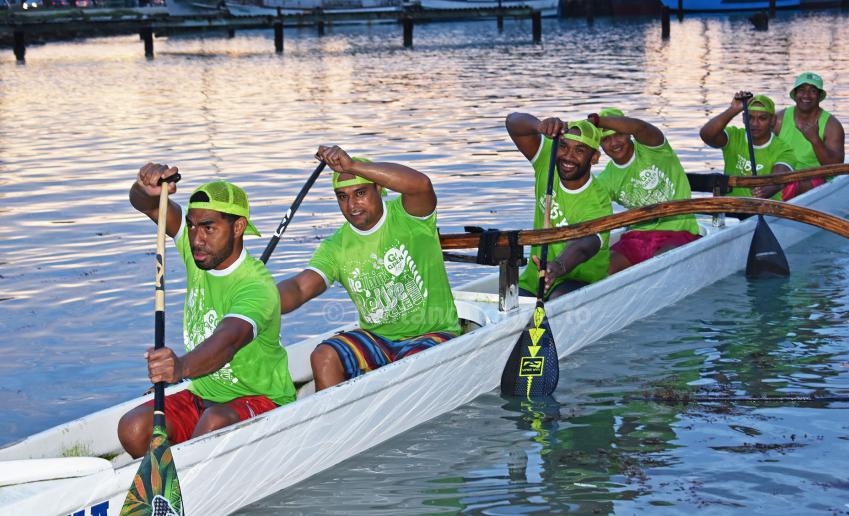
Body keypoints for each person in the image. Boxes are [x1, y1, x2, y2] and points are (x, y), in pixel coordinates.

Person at [118, 164, 295, 459]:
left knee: (213, 422)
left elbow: (227, 342)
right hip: (204, 394)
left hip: (261, 400)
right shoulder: (199, 255)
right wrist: (145, 189)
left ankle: (190, 472)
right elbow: (148, 204)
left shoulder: (257, 286)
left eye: (209, 228)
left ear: (238, 227)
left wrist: (180, 368)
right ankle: (172, 474)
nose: (196, 239)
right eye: (191, 226)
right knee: (133, 427)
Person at [277, 146, 460, 391]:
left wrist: (352, 166)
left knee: (409, 365)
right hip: (378, 340)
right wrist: (260, 303)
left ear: (379, 188)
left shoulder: (408, 216)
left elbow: (421, 185)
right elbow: (300, 288)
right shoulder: (335, 246)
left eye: (360, 193)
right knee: (324, 356)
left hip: (433, 334)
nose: (352, 205)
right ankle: (336, 415)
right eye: (342, 197)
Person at [505, 113, 613, 298]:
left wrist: (557, 266)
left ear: (594, 158)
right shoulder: (547, 161)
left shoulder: (599, 201)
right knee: (509, 302)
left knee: (556, 300)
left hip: (579, 280)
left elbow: (585, 245)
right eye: (563, 146)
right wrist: (539, 125)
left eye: (579, 150)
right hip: (535, 279)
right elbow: (512, 123)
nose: (568, 157)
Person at [588, 107, 701, 274]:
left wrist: (596, 121)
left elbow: (640, 127)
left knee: (662, 262)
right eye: (606, 139)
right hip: (637, 238)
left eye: (619, 134)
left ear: (629, 133)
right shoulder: (605, 179)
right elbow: (588, 211)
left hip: (679, 232)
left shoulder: (654, 148)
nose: (614, 143)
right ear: (599, 145)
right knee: (602, 271)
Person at [700, 92, 797, 199]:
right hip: (731, 206)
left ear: (773, 120)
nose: (755, 123)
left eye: (762, 118)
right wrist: (733, 109)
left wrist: (769, 188)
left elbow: (779, 178)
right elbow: (706, 135)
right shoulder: (734, 136)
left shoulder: (784, 150)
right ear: (744, 118)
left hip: (765, 207)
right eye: (750, 117)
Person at [775, 72, 845, 200]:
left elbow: (836, 168)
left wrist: (815, 139)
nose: (806, 95)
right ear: (795, 94)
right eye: (802, 90)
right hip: (782, 174)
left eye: (813, 91)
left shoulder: (832, 125)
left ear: (819, 96)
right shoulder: (779, 118)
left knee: (793, 185)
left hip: (814, 178)